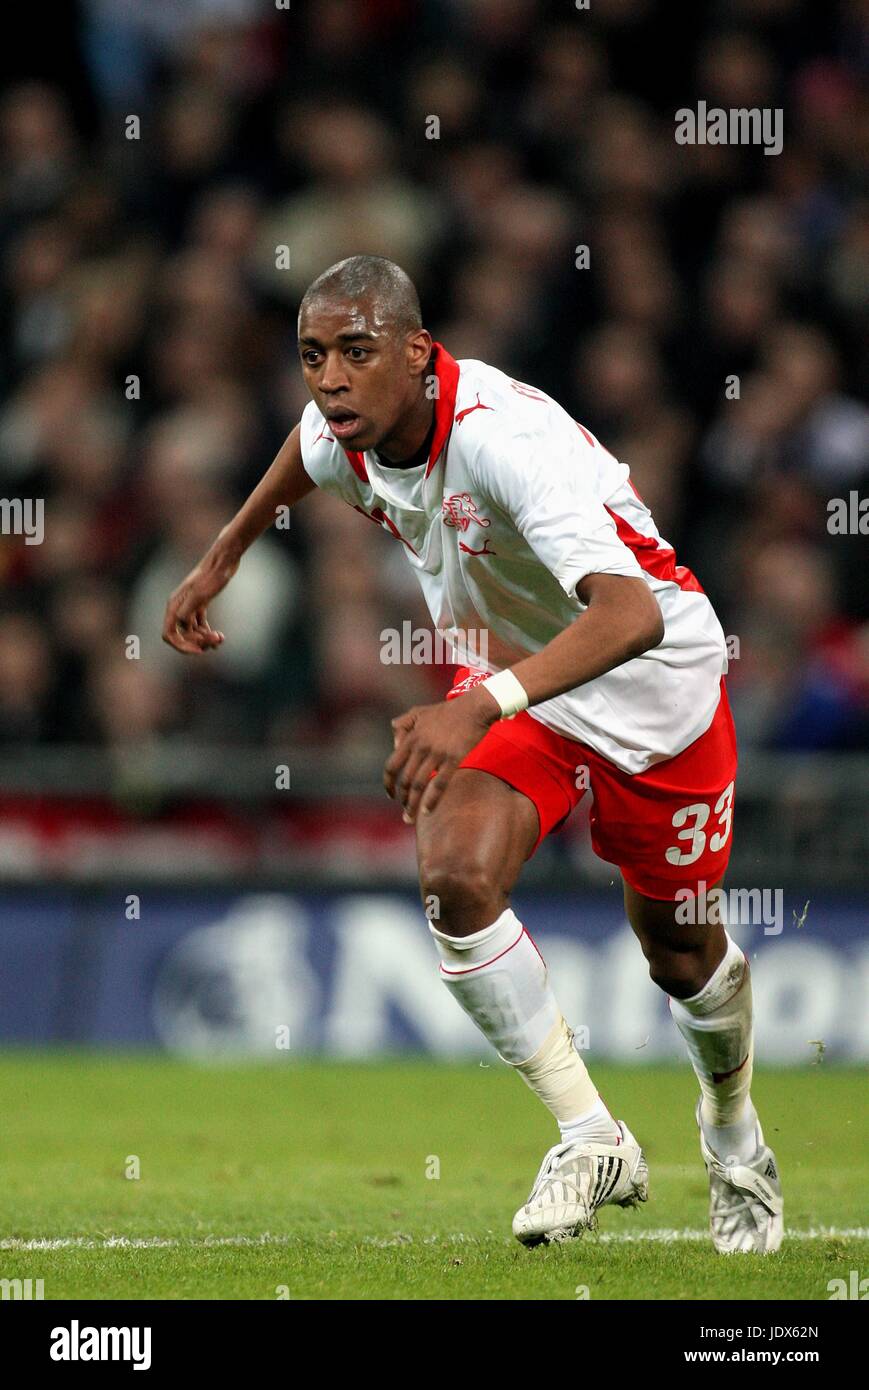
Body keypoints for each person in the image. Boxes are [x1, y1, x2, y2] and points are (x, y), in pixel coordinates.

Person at [162, 255, 783, 1253]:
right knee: (453, 875)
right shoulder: (349, 427)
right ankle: (591, 1136)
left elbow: (625, 615)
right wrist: (222, 552)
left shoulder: (501, 443)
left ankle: (731, 1126)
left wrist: (476, 703)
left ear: (416, 352)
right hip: (520, 686)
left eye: (354, 353)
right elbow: (304, 449)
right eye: (312, 355)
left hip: (652, 683)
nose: (328, 379)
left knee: (678, 955)